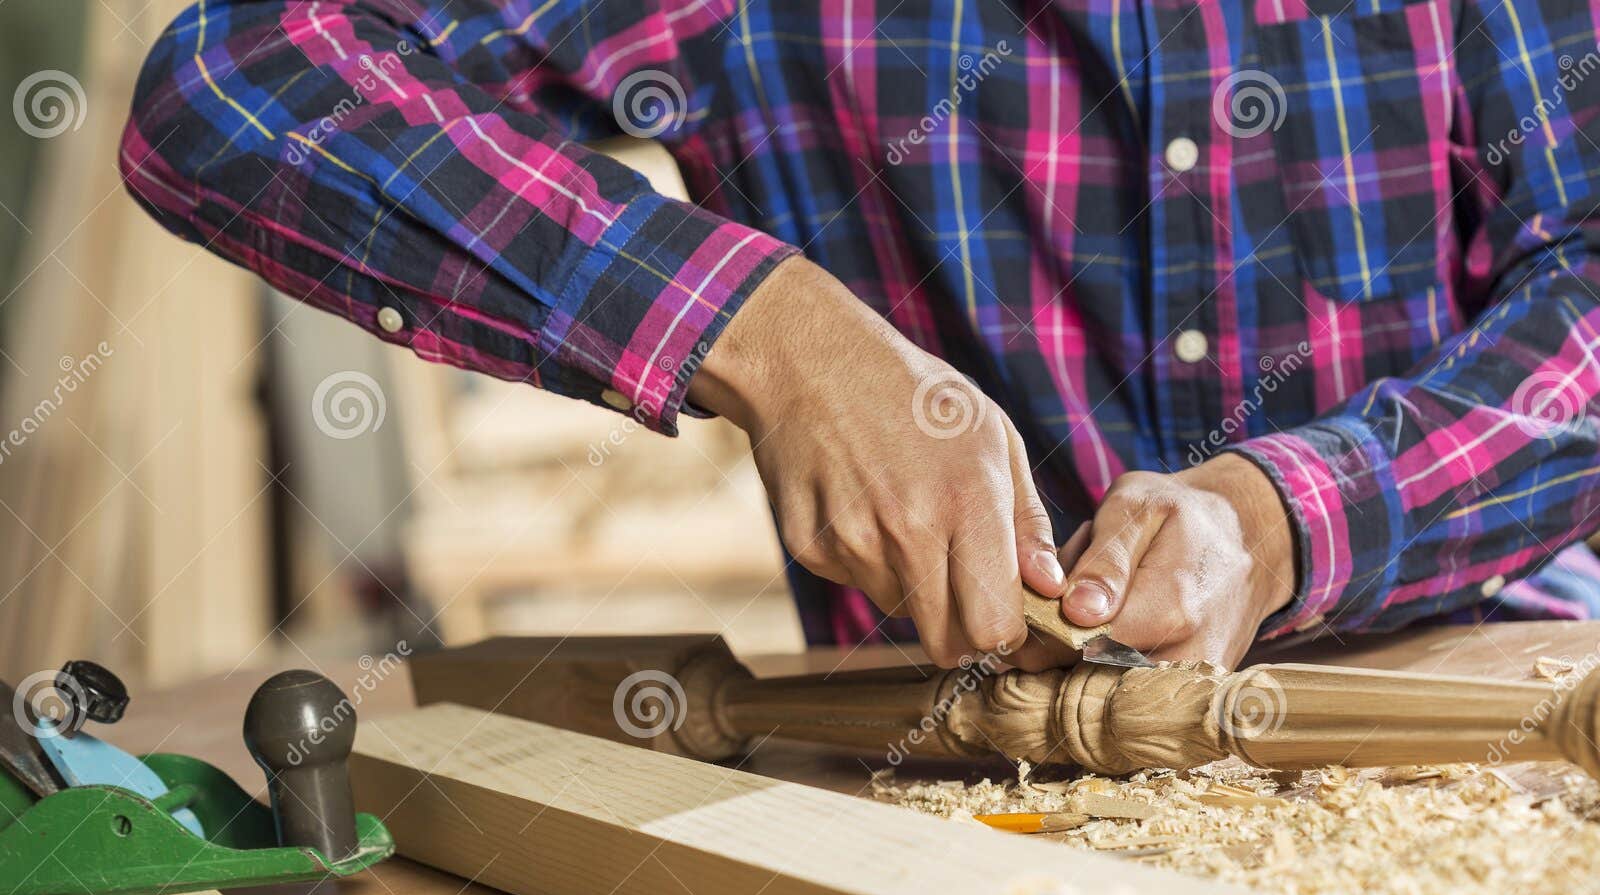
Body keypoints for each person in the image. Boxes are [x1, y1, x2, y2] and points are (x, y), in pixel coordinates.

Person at [119, 0, 1600, 670]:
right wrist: (762, 326)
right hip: (960, 797)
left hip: (1478, 705)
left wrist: (1289, 517)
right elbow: (241, 83)